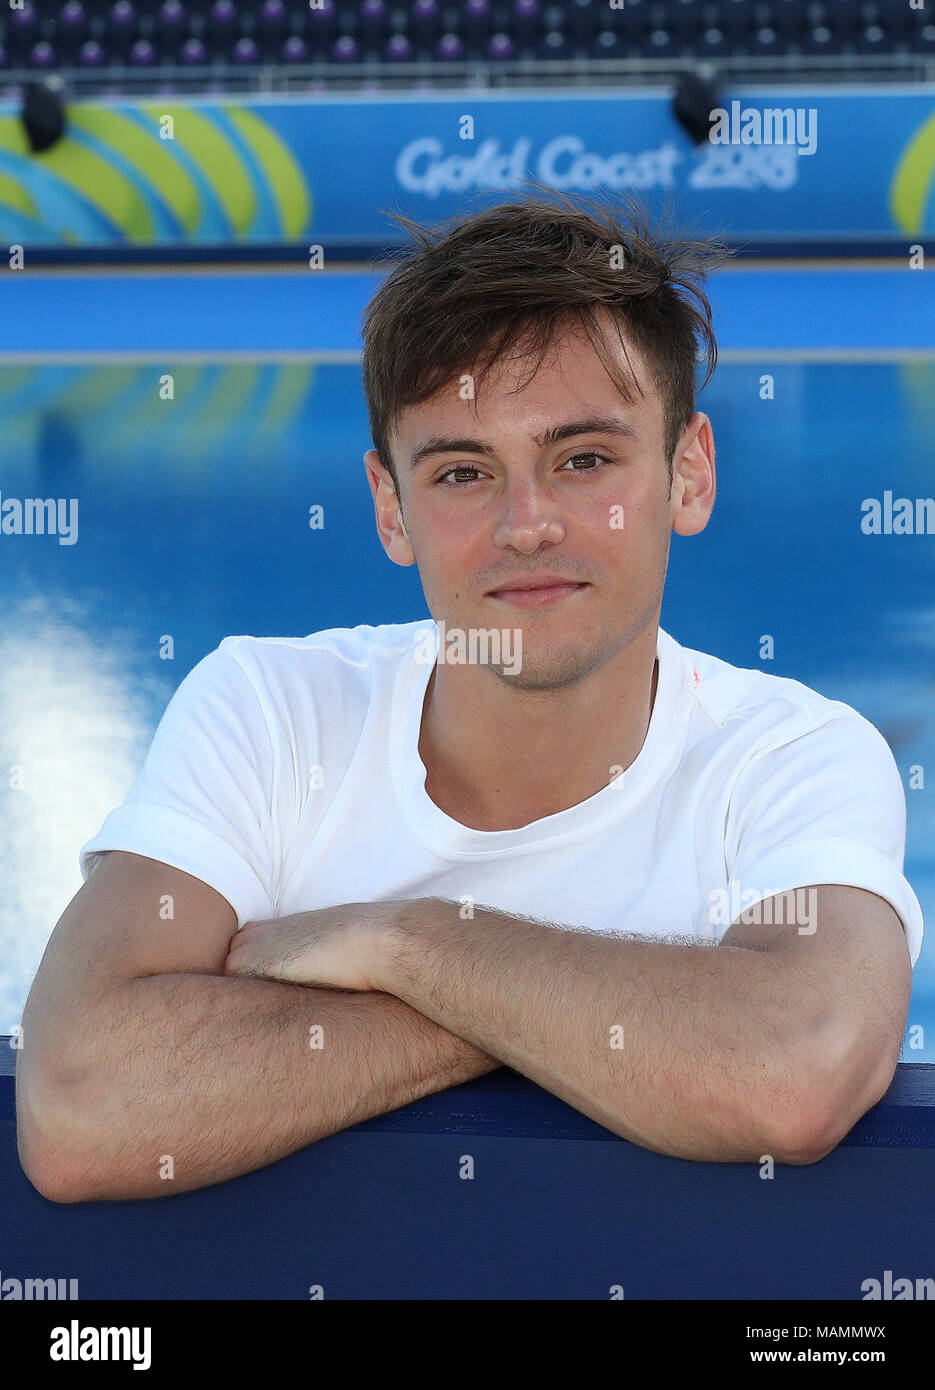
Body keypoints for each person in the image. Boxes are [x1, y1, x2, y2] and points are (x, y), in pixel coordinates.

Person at [17, 191, 923, 1203]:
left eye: (582, 460)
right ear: (388, 508)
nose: (525, 523)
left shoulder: (789, 758)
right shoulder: (271, 711)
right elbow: (79, 1105)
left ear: (689, 473)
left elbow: (791, 1072)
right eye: (461, 472)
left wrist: (405, 941)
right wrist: (551, 1015)